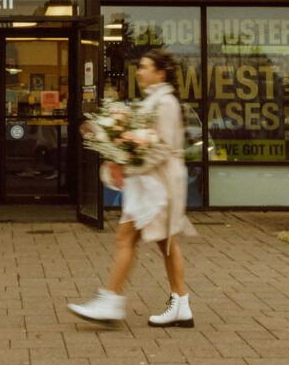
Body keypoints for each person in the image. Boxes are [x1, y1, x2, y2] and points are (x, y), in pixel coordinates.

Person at [68, 48, 197, 327]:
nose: (139, 71)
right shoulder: (155, 100)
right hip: (150, 185)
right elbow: (137, 137)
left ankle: (111, 301)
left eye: (145, 67)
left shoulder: (165, 103)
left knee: (132, 238)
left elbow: (161, 148)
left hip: (158, 186)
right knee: (162, 242)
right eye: (139, 66)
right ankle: (179, 304)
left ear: (160, 73)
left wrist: (126, 165)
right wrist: (109, 138)